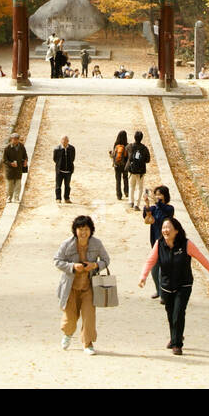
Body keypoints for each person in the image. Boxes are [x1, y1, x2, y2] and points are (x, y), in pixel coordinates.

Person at [138, 216, 209, 354]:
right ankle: (175, 336)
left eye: (168, 227)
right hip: (166, 285)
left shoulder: (186, 244)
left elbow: (200, 256)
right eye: (163, 228)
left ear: (176, 230)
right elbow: (150, 261)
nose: (165, 230)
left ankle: (177, 345)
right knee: (170, 314)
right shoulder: (159, 244)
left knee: (178, 313)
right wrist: (143, 277)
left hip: (184, 284)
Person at [54, 215, 110, 355]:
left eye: (86, 229)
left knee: (89, 316)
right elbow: (57, 261)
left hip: (89, 287)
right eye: (80, 229)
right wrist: (72, 266)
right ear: (75, 230)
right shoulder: (67, 244)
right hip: (71, 287)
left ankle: (88, 343)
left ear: (91, 230)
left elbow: (106, 259)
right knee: (70, 317)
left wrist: (95, 265)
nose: (83, 232)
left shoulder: (97, 244)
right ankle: (67, 334)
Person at [142, 185, 174, 297]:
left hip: (166, 243)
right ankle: (158, 291)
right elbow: (145, 215)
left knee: (163, 271)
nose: (158, 196)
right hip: (155, 242)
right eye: (156, 194)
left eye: (160, 194)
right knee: (154, 270)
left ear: (165, 196)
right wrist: (147, 203)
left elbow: (166, 211)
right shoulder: (154, 208)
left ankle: (164, 294)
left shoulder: (169, 208)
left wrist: (158, 202)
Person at [125, 131, 150, 209]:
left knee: (131, 186)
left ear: (134, 137)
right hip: (141, 171)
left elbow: (126, 156)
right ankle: (137, 204)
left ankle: (130, 202)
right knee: (140, 187)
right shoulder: (144, 148)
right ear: (141, 138)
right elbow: (148, 160)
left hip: (132, 170)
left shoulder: (130, 146)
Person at [3, 132, 28, 202]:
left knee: (18, 184)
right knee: (9, 185)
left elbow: (25, 155)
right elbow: (4, 160)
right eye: (14, 139)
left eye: (17, 139)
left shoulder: (21, 146)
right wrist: (11, 164)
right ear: (11, 139)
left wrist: (26, 161)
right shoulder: (7, 148)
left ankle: (16, 198)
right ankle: (9, 197)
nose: (15, 141)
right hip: (10, 169)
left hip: (19, 168)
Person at [53, 135, 76, 202]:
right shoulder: (57, 149)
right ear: (61, 141)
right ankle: (58, 198)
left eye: (66, 140)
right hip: (59, 171)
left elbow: (73, 158)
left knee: (67, 186)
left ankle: (67, 198)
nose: (64, 142)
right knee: (58, 185)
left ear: (68, 141)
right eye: (63, 140)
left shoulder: (72, 148)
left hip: (68, 171)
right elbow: (55, 159)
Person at [110, 130, 129, 201]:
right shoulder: (127, 145)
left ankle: (119, 195)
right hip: (125, 165)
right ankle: (126, 191)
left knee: (118, 180)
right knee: (125, 178)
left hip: (117, 165)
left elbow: (113, 155)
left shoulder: (116, 145)